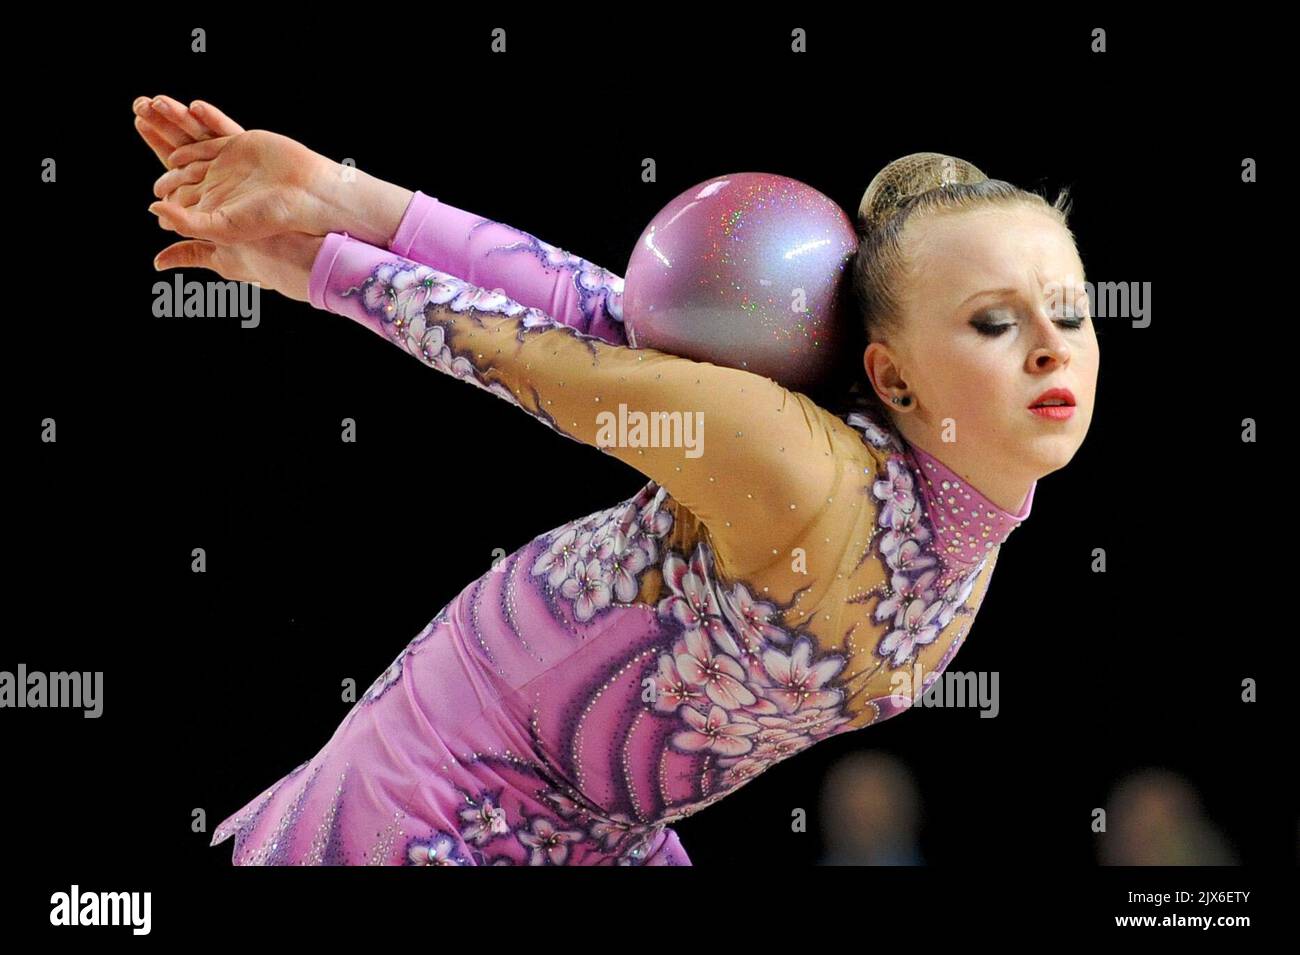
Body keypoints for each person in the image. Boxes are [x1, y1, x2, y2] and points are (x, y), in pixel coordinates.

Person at [134, 96, 1098, 865]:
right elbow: (540, 357)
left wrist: (344, 202)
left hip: (593, 825)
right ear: (891, 375)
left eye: (1069, 311)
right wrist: (314, 253)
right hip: (455, 769)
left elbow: (625, 317)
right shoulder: (804, 471)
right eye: (994, 322)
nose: (1054, 351)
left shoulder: (957, 513)